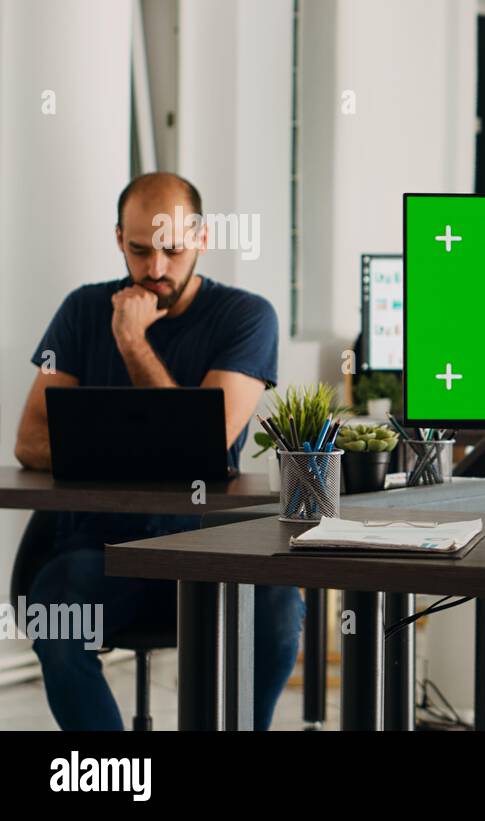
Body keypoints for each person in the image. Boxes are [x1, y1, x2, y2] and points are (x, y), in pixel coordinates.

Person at [14, 172, 304, 731]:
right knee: (54, 611)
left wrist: (132, 343)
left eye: (172, 250)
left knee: (278, 607)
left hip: (210, 549)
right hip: (101, 550)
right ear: (119, 239)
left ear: (202, 238)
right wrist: (151, 450)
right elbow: (29, 442)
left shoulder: (247, 318)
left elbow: (204, 443)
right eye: (140, 250)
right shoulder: (80, 311)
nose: (155, 270)